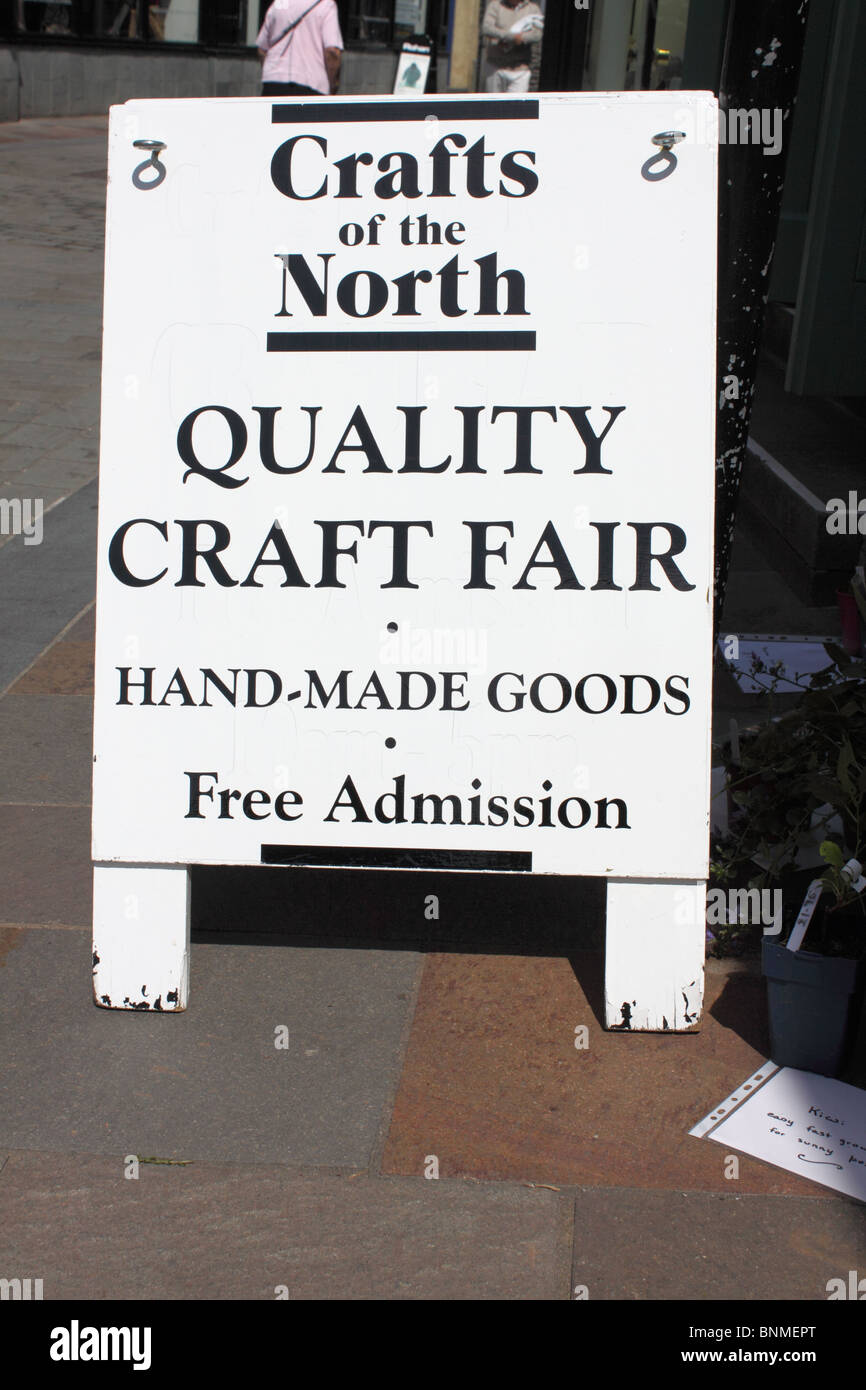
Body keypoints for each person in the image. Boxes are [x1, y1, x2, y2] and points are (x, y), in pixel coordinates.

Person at [257, 0, 343, 98]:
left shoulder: (277, 4)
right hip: (311, 85)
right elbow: (332, 52)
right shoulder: (326, 5)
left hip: (273, 84)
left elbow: (262, 49)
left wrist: (273, 70)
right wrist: (332, 86)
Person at [481, 0, 543, 95]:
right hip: (495, 67)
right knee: (493, 107)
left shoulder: (533, 9)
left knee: (516, 107)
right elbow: (487, 28)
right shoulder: (495, 6)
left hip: (520, 70)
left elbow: (537, 34)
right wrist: (511, 37)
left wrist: (521, 38)